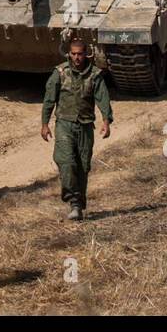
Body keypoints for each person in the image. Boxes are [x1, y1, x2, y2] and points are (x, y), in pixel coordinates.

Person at [41, 38, 113, 221]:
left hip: (85, 126)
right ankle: (73, 199)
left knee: (83, 166)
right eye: (73, 54)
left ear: (86, 54)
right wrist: (44, 123)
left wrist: (106, 121)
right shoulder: (60, 72)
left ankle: (77, 206)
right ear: (69, 54)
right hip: (64, 124)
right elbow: (49, 98)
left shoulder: (94, 75)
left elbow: (103, 98)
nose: (76, 58)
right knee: (66, 161)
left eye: (80, 54)